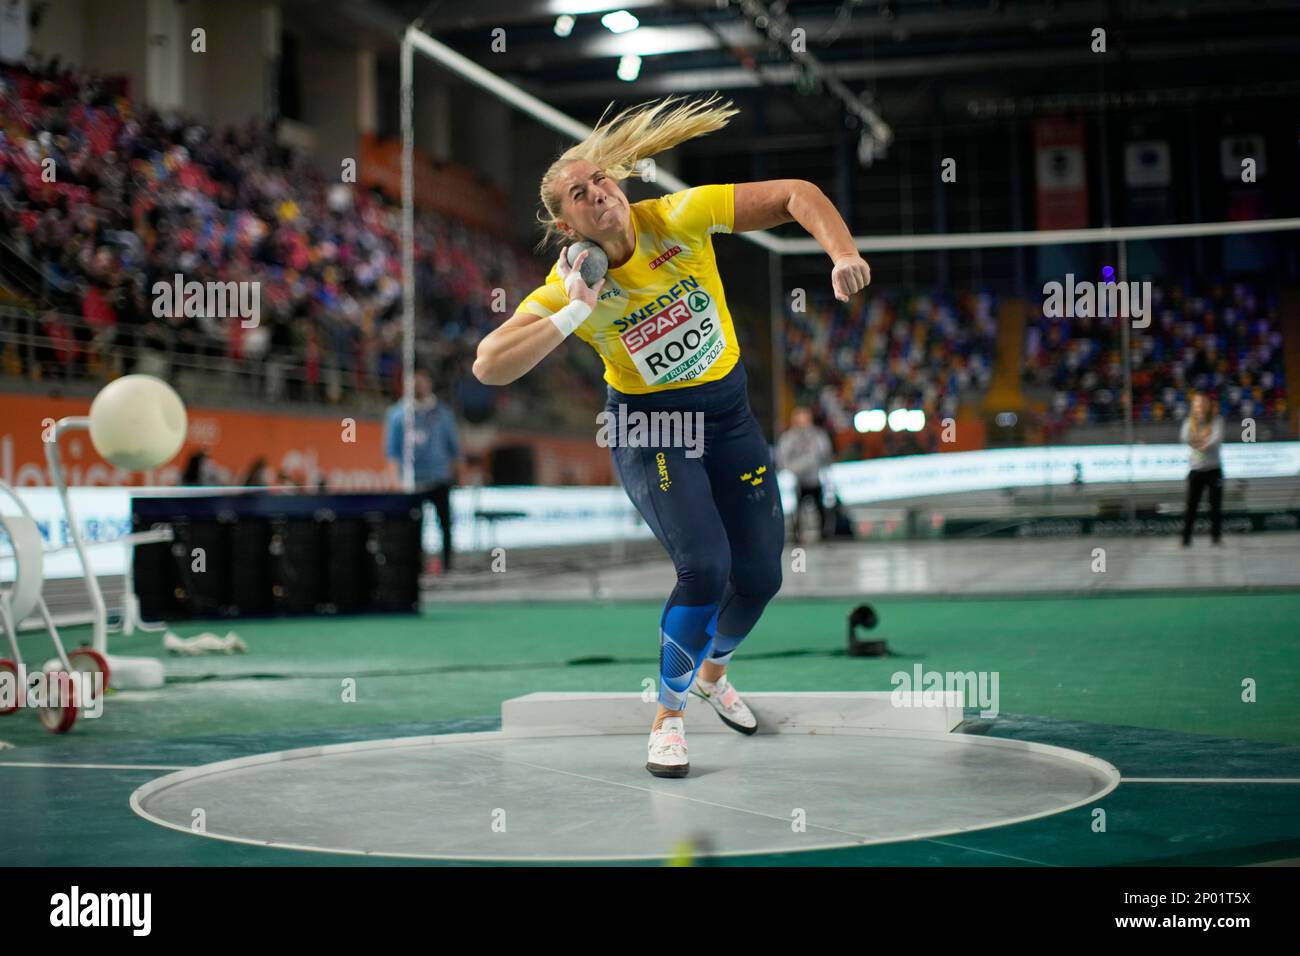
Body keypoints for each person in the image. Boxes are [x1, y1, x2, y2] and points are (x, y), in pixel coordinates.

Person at [472, 95, 872, 777]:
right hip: (653, 427)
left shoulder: (678, 218)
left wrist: (841, 252)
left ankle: (713, 675)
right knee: (705, 566)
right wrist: (574, 314)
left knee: (761, 576)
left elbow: (796, 195)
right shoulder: (567, 286)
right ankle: (669, 717)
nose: (598, 193)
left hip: (729, 417)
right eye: (579, 193)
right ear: (564, 221)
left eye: (600, 179)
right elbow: (489, 364)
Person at [384, 368, 462, 572]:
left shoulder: (442, 413)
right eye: (414, 382)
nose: (419, 385)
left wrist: (459, 475)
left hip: (439, 479)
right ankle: (415, 569)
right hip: (413, 481)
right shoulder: (397, 415)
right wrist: (396, 481)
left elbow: (454, 449)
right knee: (413, 527)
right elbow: (392, 451)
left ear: (429, 383)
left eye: (422, 381)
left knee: (445, 525)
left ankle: (447, 567)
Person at [776, 406, 834, 540]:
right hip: (798, 480)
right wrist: (794, 468)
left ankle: (825, 533)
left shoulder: (818, 435)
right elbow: (782, 457)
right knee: (797, 508)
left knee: (820, 506)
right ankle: (797, 533)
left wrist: (823, 467)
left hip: (814, 478)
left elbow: (825, 453)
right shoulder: (789, 437)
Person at [1181, 390, 1224, 546]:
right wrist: (1200, 441)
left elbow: (1215, 440)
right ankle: (1186, 538)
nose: (1200, 407)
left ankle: (1216, 537)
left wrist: (1200, 442)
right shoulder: (1189, 422)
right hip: (1196, 470)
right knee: (1191, 505)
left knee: (1215, 505)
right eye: (1197, 404)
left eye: (1203, 404)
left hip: (1213, 469)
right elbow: (1185, 437)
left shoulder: (1216, 421)